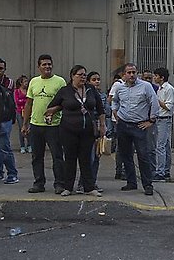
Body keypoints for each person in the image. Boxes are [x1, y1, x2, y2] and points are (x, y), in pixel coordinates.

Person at [45, 65, 105, 197]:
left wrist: (102, 126)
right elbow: (52, 106)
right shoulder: (65, 91)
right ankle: (68, 187)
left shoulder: (91, 90)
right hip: (68, 130)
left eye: (85, 75)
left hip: (87, 131)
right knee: (70, 159)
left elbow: (100, 109)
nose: (83, 77)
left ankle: (89, 187)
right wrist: (54, 112)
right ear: (73, 76)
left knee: (86, 159)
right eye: (80, 74)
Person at [111, 63, 159, 196]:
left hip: (139, 126)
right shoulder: (120, 88)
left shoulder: (146, 86)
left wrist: (151, 120)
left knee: (143, 156)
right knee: (126, 155)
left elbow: (153, 102)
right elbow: (114, 101)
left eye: (134, 72)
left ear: (137, 73)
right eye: (129, 73)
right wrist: (115, 112)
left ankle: (147, 185)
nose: (132, 75)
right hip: (123, 125)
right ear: (124, 75)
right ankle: (131, 182)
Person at [22, 54, 66, 194]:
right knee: (37, 156)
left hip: (54, 126)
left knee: (57, 156)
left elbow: (64, 102)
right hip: (36, 125)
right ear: (39, 67)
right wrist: (25, 123)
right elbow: (29, 103)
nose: (47, 67)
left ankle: (59, 184)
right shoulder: (34, 82)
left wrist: (54, 110)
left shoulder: (60, 81)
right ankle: (39, 183)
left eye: (49, 64)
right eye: (44, 64)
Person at [152, 67, 174, 181]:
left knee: (160, 146)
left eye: (156, 76)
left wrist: (156, 101)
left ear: (162, 77)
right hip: (159, 118)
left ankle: (160, 172)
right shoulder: (159, 89)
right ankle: (165, 171)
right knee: (165, 145)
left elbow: (168, 106)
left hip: (164, 119)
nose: (154, 78)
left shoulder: (168, 89)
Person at [86, 71, 107, 190]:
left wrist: (103, 126)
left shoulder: (102, 95)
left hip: (99, 128)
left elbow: (105, 111)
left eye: (98, 79)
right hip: (90, 128)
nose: (97, 82)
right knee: (89, 157)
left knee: (97, 157)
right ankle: (85, 183)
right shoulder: (86, 95)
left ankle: (92, 181)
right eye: (94, 79)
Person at [13, 75, 30, 154]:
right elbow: (17, 101)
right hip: (20, 111)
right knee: (21, 128)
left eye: (27, 81)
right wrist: (25, 100)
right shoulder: (17, 91)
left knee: (29, 128)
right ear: (21, 82)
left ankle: (29, 145)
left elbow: (30, 100)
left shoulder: (29, 90)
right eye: (25, 81)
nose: (26, 83)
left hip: (28, 111)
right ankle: (22, 146)